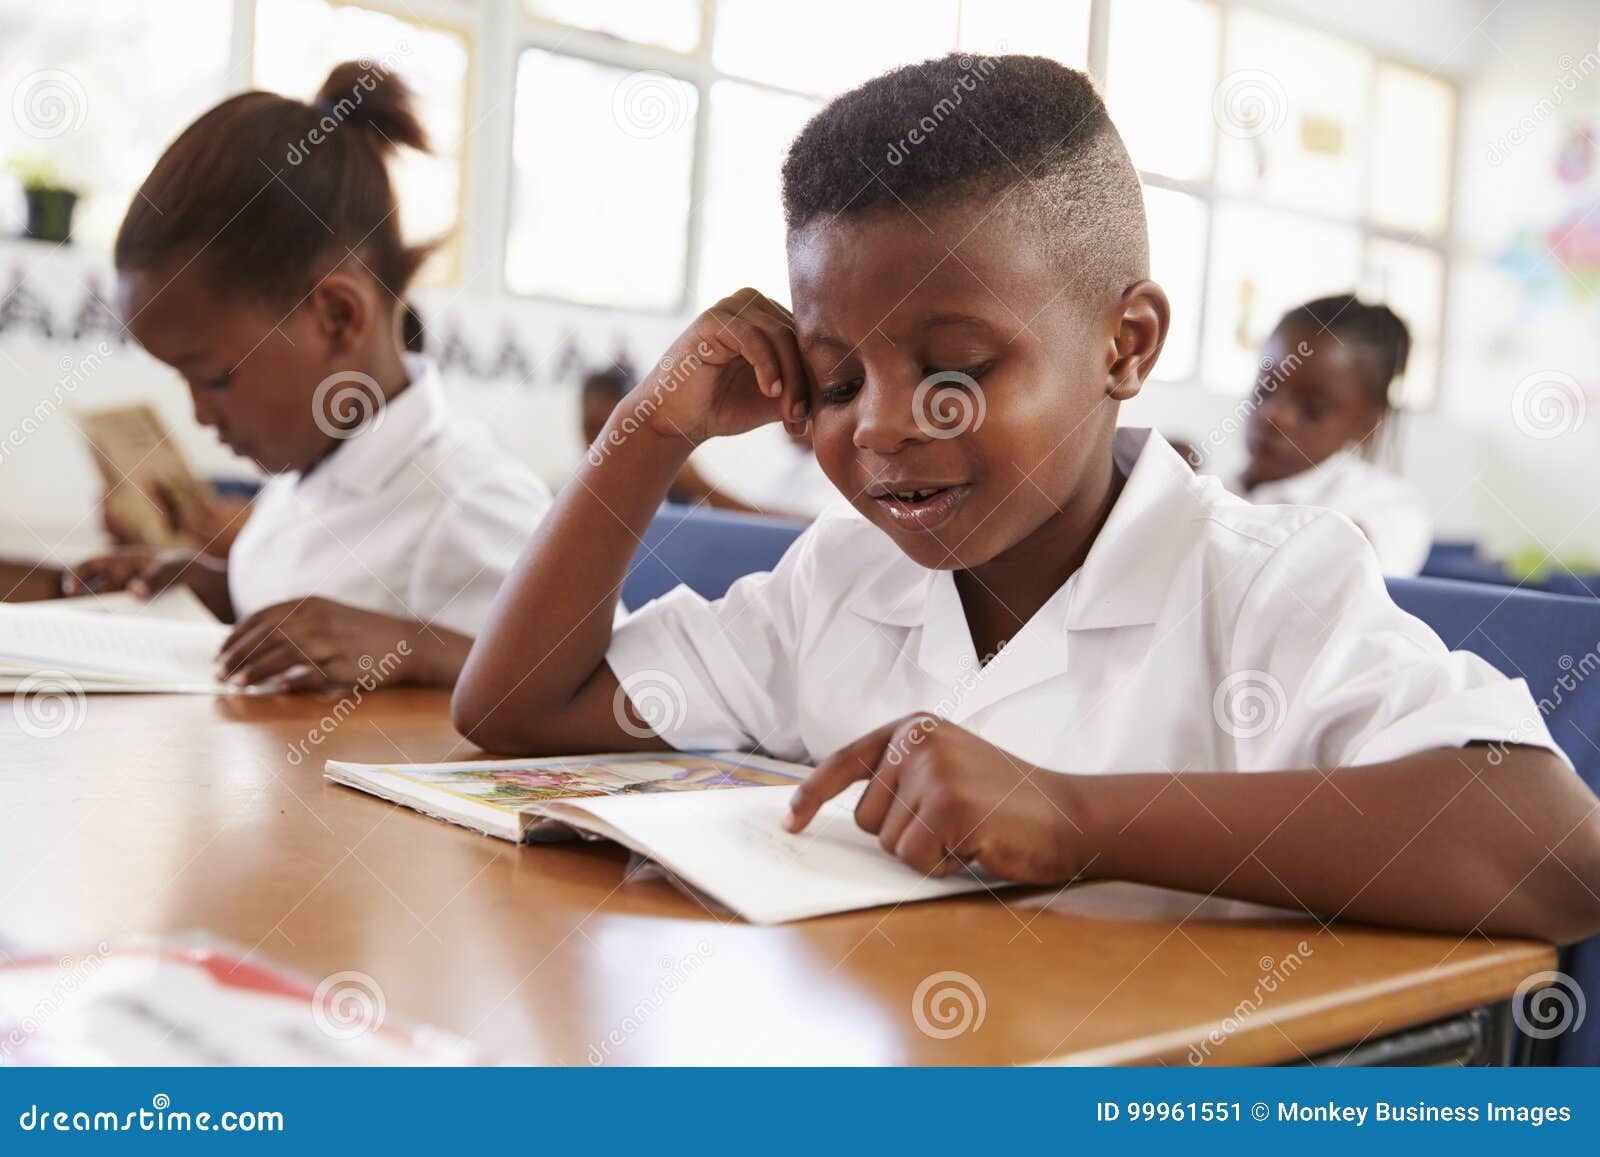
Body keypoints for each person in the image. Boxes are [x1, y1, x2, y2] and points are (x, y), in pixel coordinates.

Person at [453, 54, 1600, 943]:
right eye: (839, 377)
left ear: (1125, 341)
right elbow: (517, 711)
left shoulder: (1261, 580)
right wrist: (646, 429)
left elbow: (1553, 852)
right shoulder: (837, 581)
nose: (886, 423)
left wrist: (1074, 815)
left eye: (956, 369)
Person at [63, 62, 552, 691]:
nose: (201, 416)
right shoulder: (309, 468)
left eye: (214, 379)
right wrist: (211, 586)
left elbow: (590, 680)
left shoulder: (469, 500)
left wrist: (414, 650)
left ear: (336, 316)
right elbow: (314, 611)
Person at [1231, 296, 1430, 576]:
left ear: (1367, 426)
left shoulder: (1388, 509)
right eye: (1267, 388)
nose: (1275, 417)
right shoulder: (1218, 485)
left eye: (1313, 410)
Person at [582, 365, 833, 520]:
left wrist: (701, 487)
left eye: (799, 398)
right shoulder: (788, 467)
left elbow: (803, 535)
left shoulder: (833, 475)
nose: (783, 411)